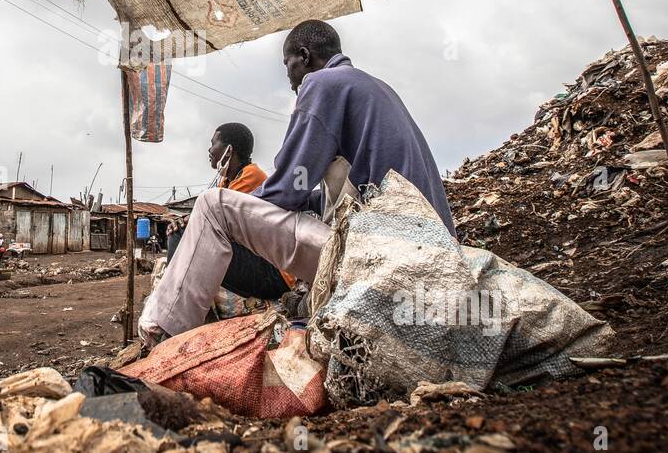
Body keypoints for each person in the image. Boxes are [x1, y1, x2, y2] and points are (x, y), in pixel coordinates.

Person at [140, 19, 454, 344]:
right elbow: (332, 190)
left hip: (385, 260)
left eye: (287, 65)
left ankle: (162, 335)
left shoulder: (322, 84)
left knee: (212, 206)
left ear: (303, 57)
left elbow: (288, 188)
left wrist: (241, 214)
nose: (289, 77)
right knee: (219, 210)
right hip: (429, 254)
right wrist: (306, 199)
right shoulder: (373, 88)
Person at [164, 121, 288, 302]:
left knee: (181, 233)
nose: (209, 150)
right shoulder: (227, 182)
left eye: (213, 143)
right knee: (181, 232)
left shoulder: (252, 176)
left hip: (274, 273)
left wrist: (188, 222)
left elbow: (212, 220)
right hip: (260, 265)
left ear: (229, 150)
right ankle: (176, 296)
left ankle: (171, 299)